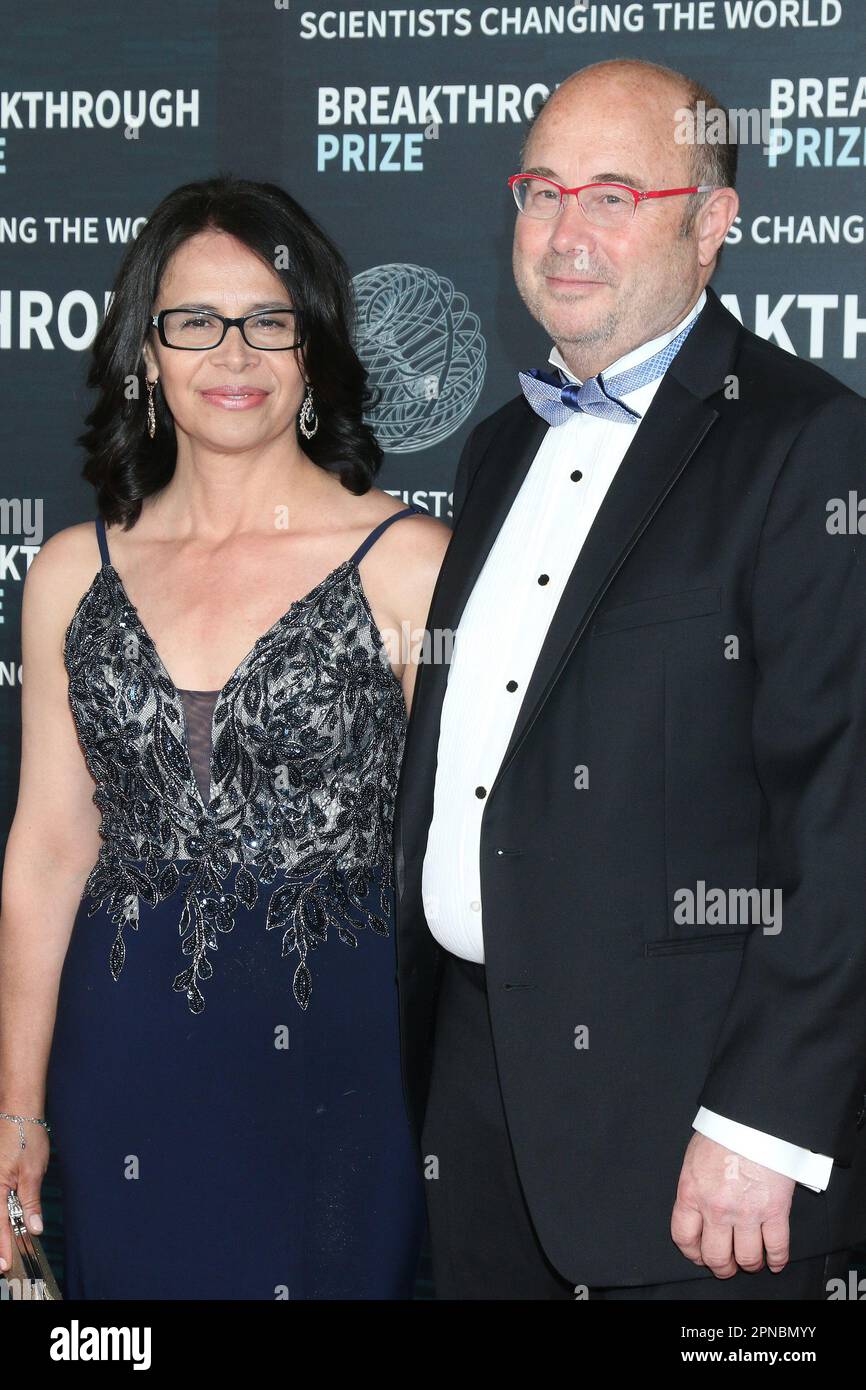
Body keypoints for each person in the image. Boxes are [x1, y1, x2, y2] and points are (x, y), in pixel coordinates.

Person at [394, 58, 866, 1300]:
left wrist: (761, 1124)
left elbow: (844, 814)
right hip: (477, 1109)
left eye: (613, 195)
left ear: (709, 226)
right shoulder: (497, 448)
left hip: (692, 1147)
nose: (561, 234)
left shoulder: (807, 443)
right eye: (539, 190)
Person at [0, 174, 450, 1299]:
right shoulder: (69, 572)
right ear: (144, 352)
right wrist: (16, 1106)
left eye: (269, 322)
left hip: (345, 1064)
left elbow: (476, 857)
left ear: (311, 353)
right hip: (126, 1058)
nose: (233, 354)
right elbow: (50, 852)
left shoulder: (412, 566)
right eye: (194, 321)